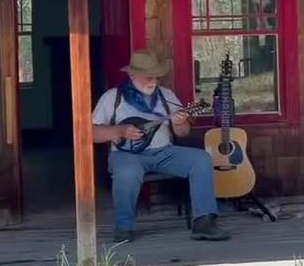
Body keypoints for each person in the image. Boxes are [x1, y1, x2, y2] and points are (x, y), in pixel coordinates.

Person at [92, 49, 225, 243]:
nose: (152, 82)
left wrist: (180, 123)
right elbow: (91, 133)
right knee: (127, 174)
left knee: (201, 159)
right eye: (147, 77)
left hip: (164, 152)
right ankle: (124, 227)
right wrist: (119, 131)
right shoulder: (112, 97)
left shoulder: (166, 95)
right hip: (126, 155)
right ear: (131, 75)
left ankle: (204, 223)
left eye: (155, 77)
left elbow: (183, 133)